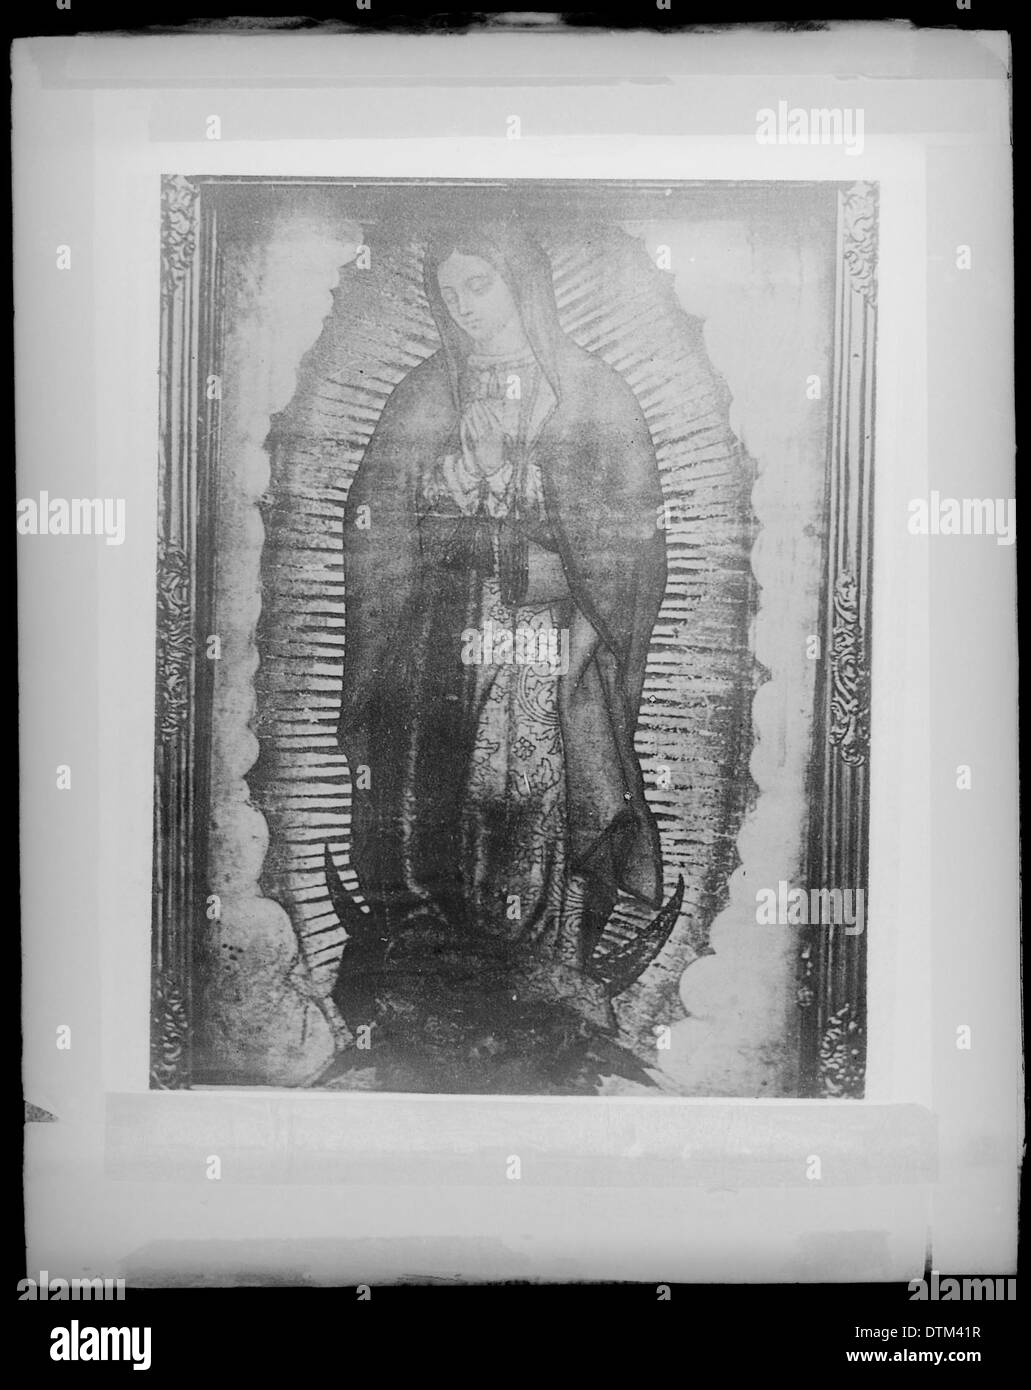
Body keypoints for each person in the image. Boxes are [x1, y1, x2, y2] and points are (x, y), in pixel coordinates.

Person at [331, 221, 669, 1034]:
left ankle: (545, 961)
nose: (464, 306)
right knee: (443, 787)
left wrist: (561, 567)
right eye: (449, 293)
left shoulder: (592, 392)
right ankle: (436, 952)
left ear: (522, 283)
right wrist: (458, 495)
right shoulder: (424, 392)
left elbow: (629, 540)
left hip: (550, 635)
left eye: (478, 285)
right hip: (440, 635)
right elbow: (377, 527)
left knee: (531, 788)